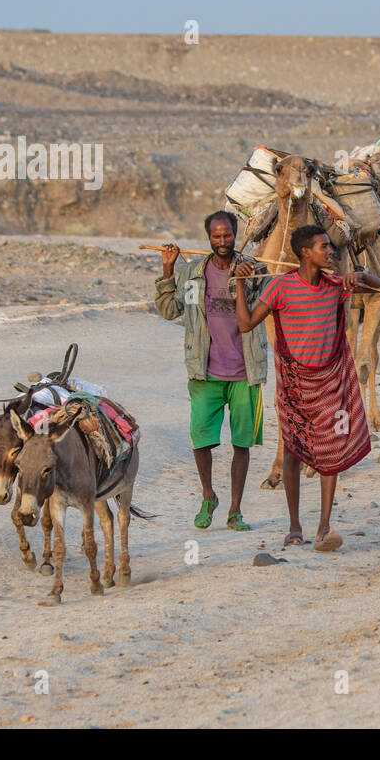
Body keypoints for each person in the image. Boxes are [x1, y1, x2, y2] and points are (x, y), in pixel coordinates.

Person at [234, 225, 380, 551]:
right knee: (292, 451)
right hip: (295, 387)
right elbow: (246, 324)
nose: (331, 252)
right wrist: (241, 284)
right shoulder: (279, 288)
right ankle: (294, 526)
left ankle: (325, 525)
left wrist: (360, 276)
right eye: (324, 247)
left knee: (332, 451)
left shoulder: (335, 285)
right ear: (305, 253)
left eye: (330, 247)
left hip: (330, 382)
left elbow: (379, 287)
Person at [155, 211, 270, 531]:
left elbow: (265, 308)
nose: (222, 242)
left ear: (236, 234)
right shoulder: (193, 273)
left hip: (247, 371)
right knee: (201, 439)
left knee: (242, 444)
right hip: (204, 372)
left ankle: (235, 510)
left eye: (228, 235)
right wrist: (167, 270)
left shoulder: (257, 270)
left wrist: (247, 282)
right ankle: (209, 496)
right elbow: (170, 310)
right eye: (216, 236)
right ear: (209, 237)